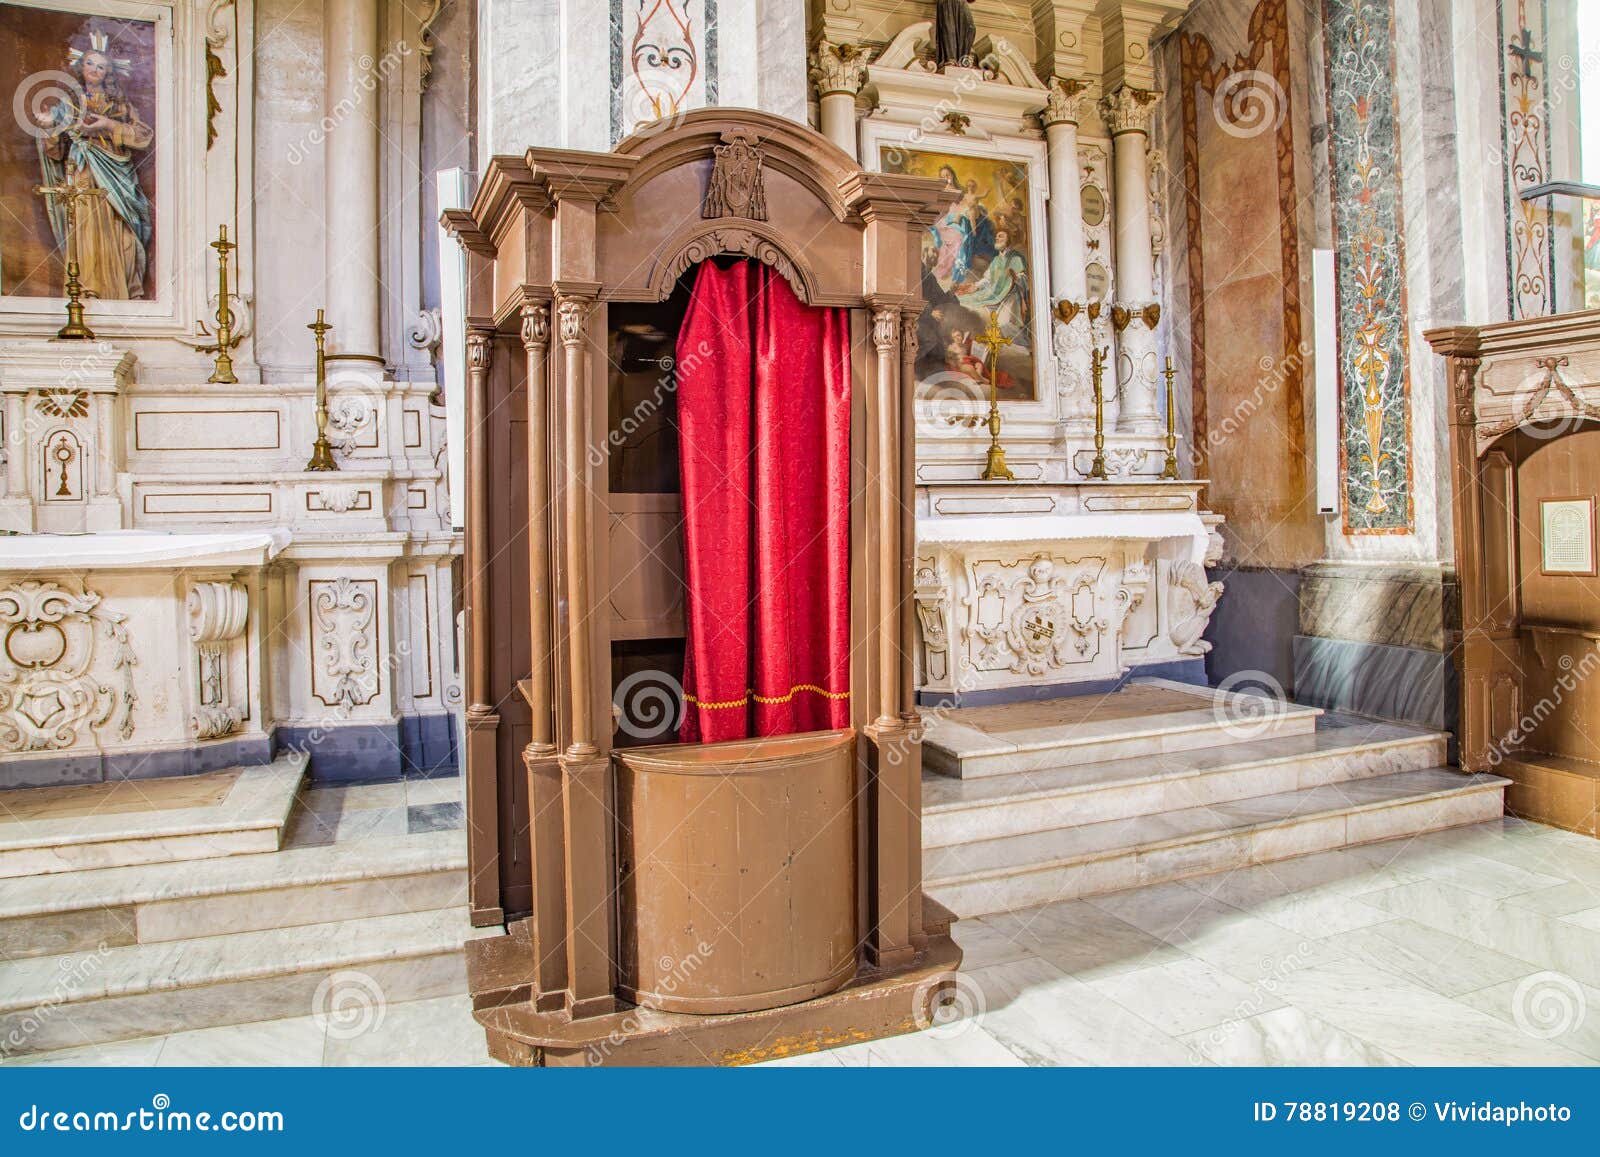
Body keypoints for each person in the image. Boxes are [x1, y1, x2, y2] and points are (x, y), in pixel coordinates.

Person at [35, 34, 154, 300]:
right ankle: (88, 287)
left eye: (101, 66)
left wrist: (109, 125)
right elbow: (54, 148)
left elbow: (143, 136)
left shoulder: (119, 104)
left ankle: (122, 289)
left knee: (121, 229)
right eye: (90, 63)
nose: (95, 70)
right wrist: (48, 126)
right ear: (81, 67)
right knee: (85, 225)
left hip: (116, 172)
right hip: (83, 170)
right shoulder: (69, 103)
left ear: (109, 73)